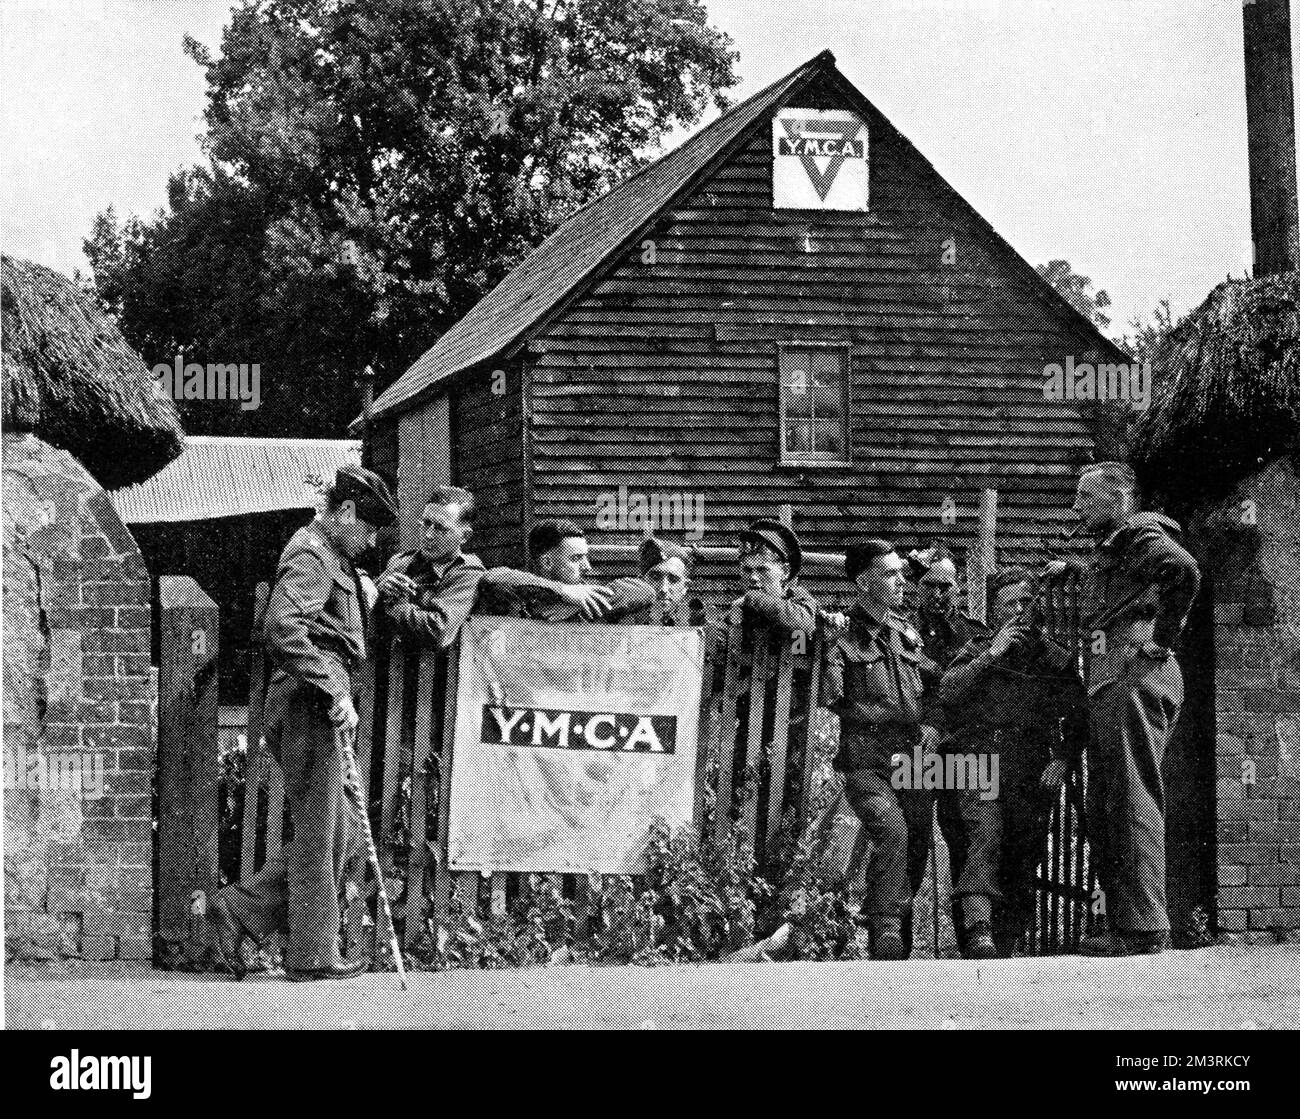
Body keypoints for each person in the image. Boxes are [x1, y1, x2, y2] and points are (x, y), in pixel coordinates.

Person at [207, 465, 398, 981]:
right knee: (322, 833)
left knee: (339, 834)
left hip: (314, 704)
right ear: (348, 513)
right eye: (370, 529)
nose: (372, 541)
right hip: (308, 705)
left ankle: (240, 910)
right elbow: (283, 627)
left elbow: (326, 624)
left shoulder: (328, 555)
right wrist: (333, 688)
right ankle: (312, 956)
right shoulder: (312, 554)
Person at [1053, 462, 1199, 956]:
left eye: (1085, 498)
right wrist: (1071, 571)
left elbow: (1182, 570)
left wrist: (1163, 639)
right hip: (1115, 673)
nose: (1076, 508)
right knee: (1113, 799)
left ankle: (1143, 930)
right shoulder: (1119, 545)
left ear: (1115, 501)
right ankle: (1132, 923)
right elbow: (1120, 587)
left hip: (1131, 670)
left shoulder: (1139, 534)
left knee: (1131, 795)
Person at [938, 567, 1088, 957]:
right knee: (984, 833)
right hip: (975, 758)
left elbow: (1078, 716)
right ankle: (977, 929)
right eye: (1010, 604)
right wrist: (993, 653)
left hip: (1027, 764)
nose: (1020, 612)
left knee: (1023, 851)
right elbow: (949, 694)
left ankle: (1003, 944)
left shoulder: (1053, 658)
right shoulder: (977, 649)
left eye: (1026, 603)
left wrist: (1063, 759)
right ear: (995, 610)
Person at [821, 539, 940, 960]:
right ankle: (885, 940)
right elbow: (829, 702)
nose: (901, 582)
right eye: (889, 574)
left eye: (900, 573)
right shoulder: (839, 634)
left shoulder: (907, 633)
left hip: (912, 758)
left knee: (918, 844)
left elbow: (932, 686)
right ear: (862, 581)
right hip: (867, 757)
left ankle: (900, 950)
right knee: (891, 832)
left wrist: (929, 723)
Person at [475, 519, 655, 622]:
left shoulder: (586, 600)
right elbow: (492, 578)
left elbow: (645, 591)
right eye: (576, 559)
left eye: (586, 557)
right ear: (546, 562)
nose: (587, 567)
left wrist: (573, 605)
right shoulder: (519, 595)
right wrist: (563, 591)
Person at [621, 536, 709, 627]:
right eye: (655, 577)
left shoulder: (700, 627)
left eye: (673, 579)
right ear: (642, 582)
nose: (664, 589)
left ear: (685, 587)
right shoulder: (622, 624)